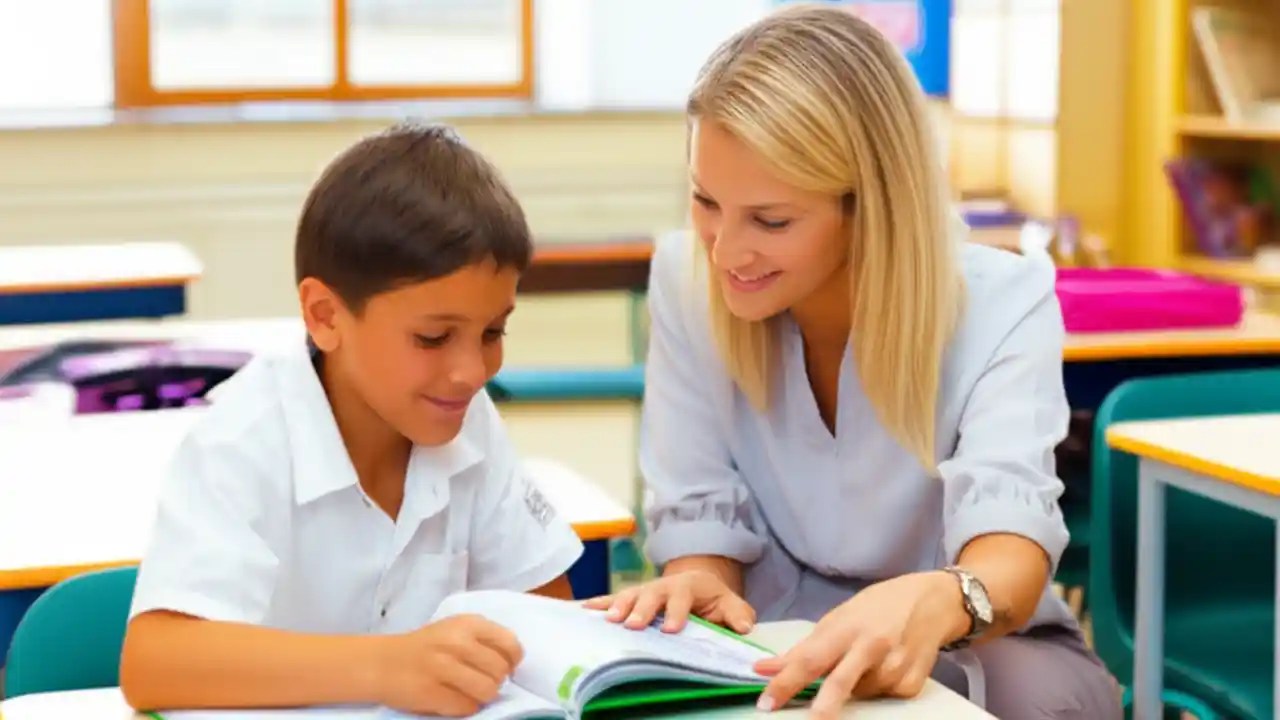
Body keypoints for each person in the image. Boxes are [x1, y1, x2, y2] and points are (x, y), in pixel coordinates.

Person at [585, 6, 1122, 720]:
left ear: (871, 206)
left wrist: (940, 597)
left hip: (979, 642)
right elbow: (701, 521)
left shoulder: (1002, 300)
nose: (725, 252)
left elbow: (1010, 554)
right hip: (771, 640)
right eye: (706, 201)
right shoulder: (687, 280)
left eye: (771, 221)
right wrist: (698, 584)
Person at [120, 123, 584, 717]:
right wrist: (387, 667)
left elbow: (551, 623)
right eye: (434, 336)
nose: (472, 370)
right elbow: (156, 663)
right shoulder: (243, 440)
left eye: (493, 332)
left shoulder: (464, 417)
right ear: (325, 316)